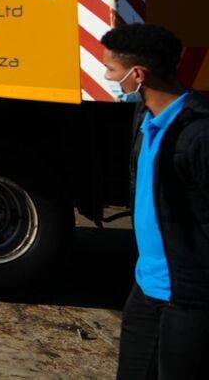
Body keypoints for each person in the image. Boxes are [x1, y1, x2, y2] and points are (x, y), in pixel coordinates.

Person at [102, 23, 209, 379]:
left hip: (189, 301)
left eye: (112, 70)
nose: (108, 76)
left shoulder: (198, 134)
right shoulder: (146, 118)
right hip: (147, 289)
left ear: (138, 74)